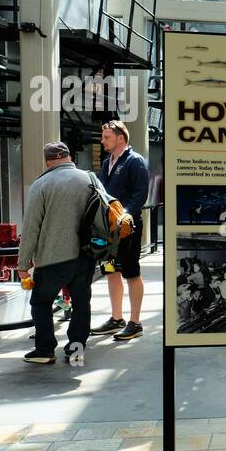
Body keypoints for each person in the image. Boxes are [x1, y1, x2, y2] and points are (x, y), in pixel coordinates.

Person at [16, 141, 101, 364]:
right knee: (82, 302)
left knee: (41, 302)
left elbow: (31, 228)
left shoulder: (42, 184)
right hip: (86, 255)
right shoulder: (90, 179)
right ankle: (76, 349)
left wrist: (23, 265)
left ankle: (44, 350)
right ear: (69, 156)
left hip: (53, 258)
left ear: (48, 161)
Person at [90, 120, 150, 341]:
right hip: (107, 231)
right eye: (103, 136)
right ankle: (117, 319)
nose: (102, 140)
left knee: (131, 272)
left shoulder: (136, 162)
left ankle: (136, 322)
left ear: (120, 138)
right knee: (110, 270)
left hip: (128, 229)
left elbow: (140, 194)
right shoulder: (107, 161)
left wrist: (125, 215)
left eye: (106, 137)